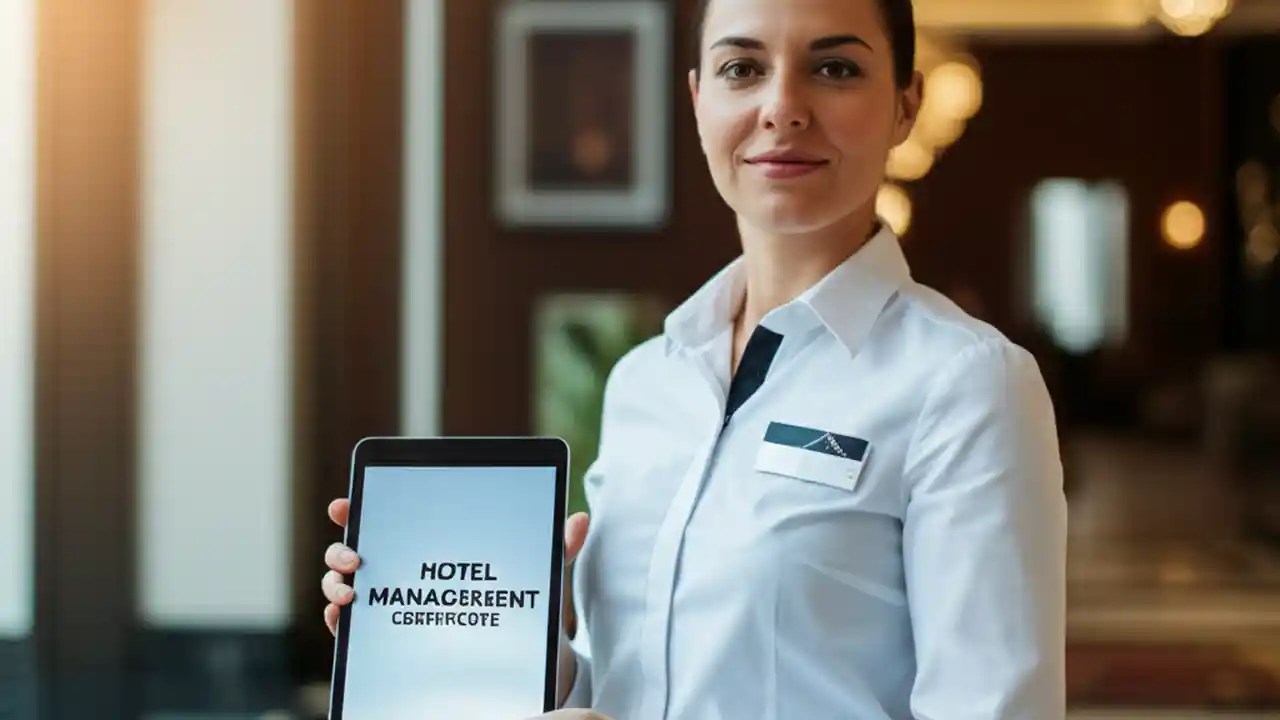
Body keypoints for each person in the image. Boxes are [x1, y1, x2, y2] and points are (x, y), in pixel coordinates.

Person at [322, 0, 1068, 717]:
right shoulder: (646, 381)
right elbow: (626, 685)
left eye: (835, 69)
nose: (783, 107)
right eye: (742, 69)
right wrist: (489, 634)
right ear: (697, 99)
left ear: (907, 104)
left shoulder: (967, 385)